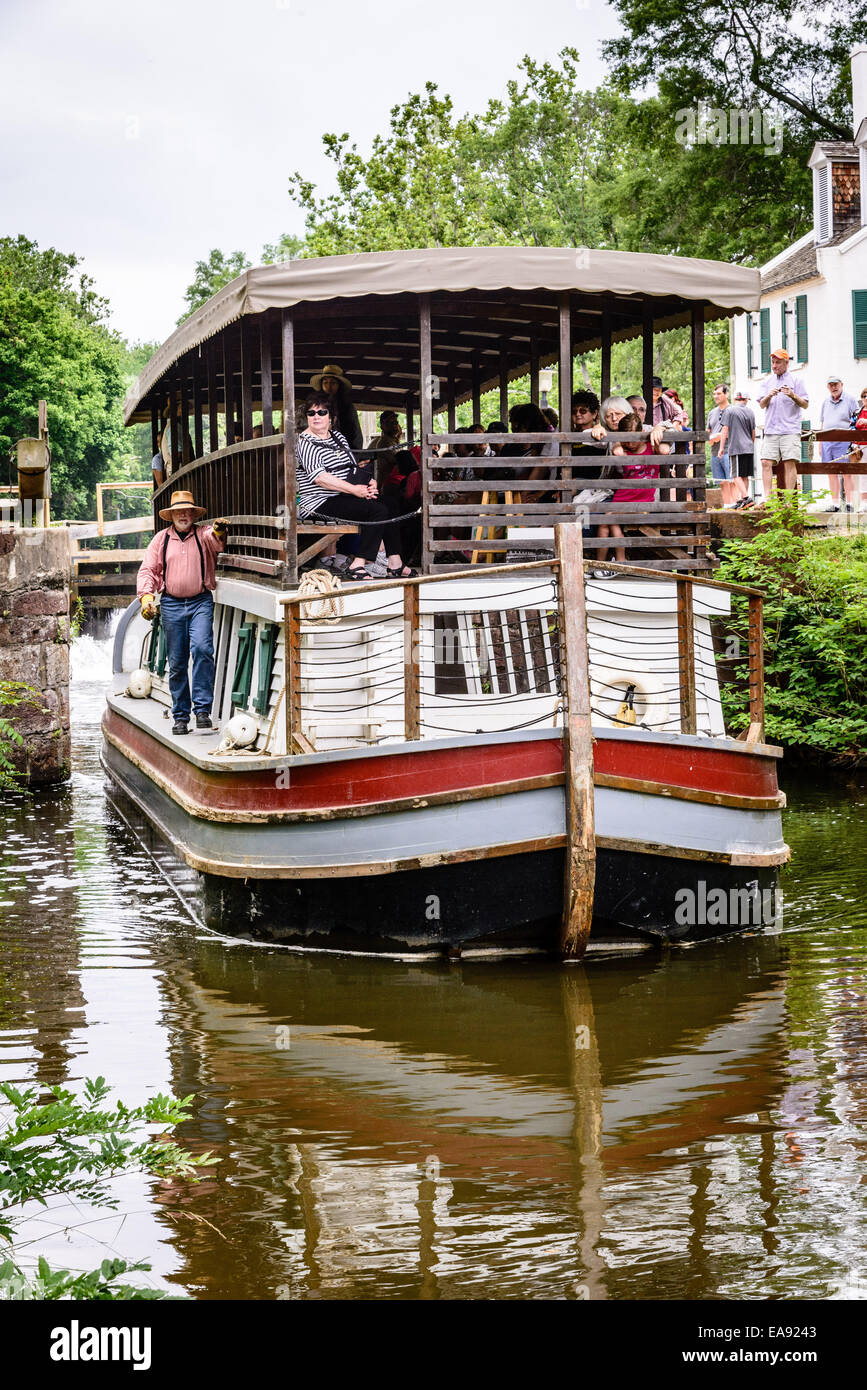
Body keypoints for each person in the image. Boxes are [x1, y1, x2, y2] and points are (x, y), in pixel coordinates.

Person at [296, 392, 415, 581]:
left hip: (344, 495)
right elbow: (320, 478)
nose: (316, 417)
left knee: (390, 503)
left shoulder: (338, 438)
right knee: (377, 511)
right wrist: (355, 490)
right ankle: (358, 564)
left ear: (331, 417)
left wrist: (369, 482)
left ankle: (395, 562)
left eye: (322, 412)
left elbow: (353, 468)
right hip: (319, 502)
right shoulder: (306, 442)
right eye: (311, 413)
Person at [136, 491, 227, 737]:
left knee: (202, 649)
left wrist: (219, 531)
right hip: (171, 605)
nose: (184, 515)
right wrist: (146, 598)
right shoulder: (161, 540)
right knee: (176, 662)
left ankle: (202, 711)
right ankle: (180, 716)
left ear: (193, 514)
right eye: (179, 511)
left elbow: (216, 540)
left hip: (200, 602)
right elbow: (148, 571)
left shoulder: (203, 534)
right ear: (172, 515)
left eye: (188, 511)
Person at [595, 413, 671, 566]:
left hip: (642, 500)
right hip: (623, 497)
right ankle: (599, 563)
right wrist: (616, 438)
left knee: (608, 518)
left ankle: (612, 561)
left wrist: (658, 430)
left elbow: (665, 450)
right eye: (626, 439)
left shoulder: (652, 446)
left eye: (634, 439)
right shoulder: (622, 448)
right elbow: (617, 451)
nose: (630, 444)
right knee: (605, 521)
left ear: (642, 433)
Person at [757, 348, 808, 495]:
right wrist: (768, 396)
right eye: (772, 362)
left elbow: (805, 404)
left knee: (789, 462)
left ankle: (788, 500)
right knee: (765, 462)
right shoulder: (767, 381)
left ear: (786, 363)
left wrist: (793, 395)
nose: (774, 366)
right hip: (771, 429)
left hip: (790, 429)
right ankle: (767, 498)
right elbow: (761, 404)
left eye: (777, 362)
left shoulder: (796, 381)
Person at [818, 375, 860, 512]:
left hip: (844, 441)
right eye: (831, 385)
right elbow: (823, 423)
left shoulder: (850, 400)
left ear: (841, 384)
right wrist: (820, 443)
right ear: (827, 387)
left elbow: (855, 421)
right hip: (827, 442)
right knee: (831, 473)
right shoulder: (825, 402)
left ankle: (849, 504)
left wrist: (854, 442)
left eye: (836, 384)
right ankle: (835, 504)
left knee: (847, 472)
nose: (833, 387)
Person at [309, 363, 363, 450]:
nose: (328, 387)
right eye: (325, 382)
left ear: (339, 386)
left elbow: (356, 434)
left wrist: (355, 455)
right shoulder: (314, 406)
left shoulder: (347, 406)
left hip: (343, 451)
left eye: (333, 383)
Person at [717, 390, 757, 507]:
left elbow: (724, 430)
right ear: (745, 400)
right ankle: (742, 501)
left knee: (735, 475)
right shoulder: (750, 412)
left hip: (736, 447)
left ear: (735, 399)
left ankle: (746, 498)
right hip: (749, 447)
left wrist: (721, 448)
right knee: (745, 475)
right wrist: (750, 444)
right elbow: (753, 433)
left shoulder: (729, 410)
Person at [707, 384, 737, 507]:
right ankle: (727, 505)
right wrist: (709, 438)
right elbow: (708, 430)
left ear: (726, 394)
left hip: (729, 451)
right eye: (714, 394)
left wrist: (719, 436)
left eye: (719, 393)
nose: (716, 396)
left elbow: (736, 431)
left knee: (733, 480)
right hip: (714, 452)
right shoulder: (712, 413)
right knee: (721, 482)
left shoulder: (733, 411)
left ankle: (736, 504)